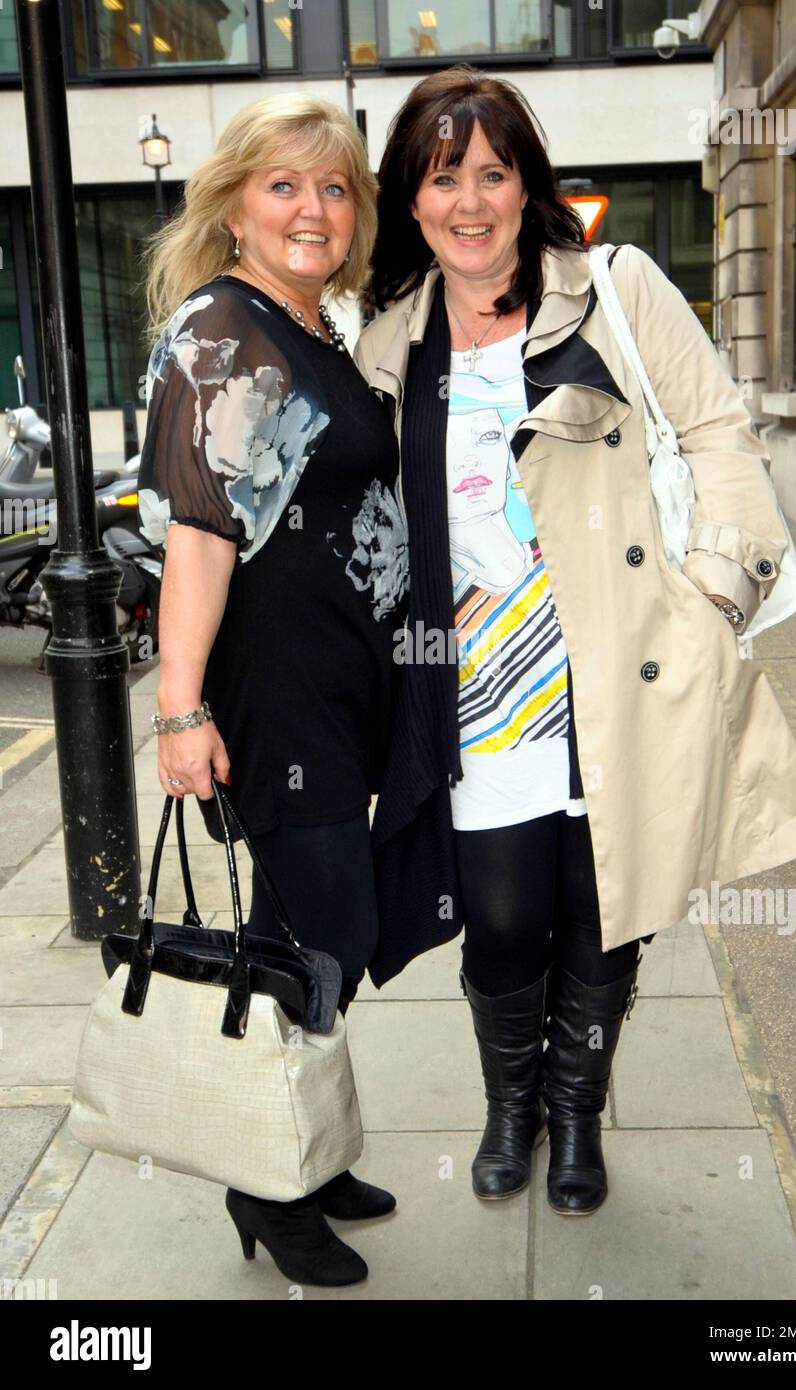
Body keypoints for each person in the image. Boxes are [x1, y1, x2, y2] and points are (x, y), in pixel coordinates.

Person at [354, 66, 796, 1217]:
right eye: (441, 177)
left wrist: (716, 593)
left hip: (622, 665)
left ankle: (573, 1109)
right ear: (409, 201)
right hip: (476, 687)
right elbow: (364, 527)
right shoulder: (387, 345)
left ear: (526, 184)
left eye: (491, 171)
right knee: (506, 911)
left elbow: (717, 427)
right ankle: (506, 1101)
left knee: (608, 900)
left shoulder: (612, 287)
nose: (469, 199)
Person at [136, 92, 408, 1287]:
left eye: (336, 187)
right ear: (235, 205)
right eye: (285, 185)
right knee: (323, 928)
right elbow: (198, 534)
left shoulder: (311, 326)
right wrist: (179, 710)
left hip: (342, 689)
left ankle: (308, 1147)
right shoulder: (226, 330)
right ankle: (266, 1187)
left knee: (297, 930)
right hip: (276, 692)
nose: (314, 208)